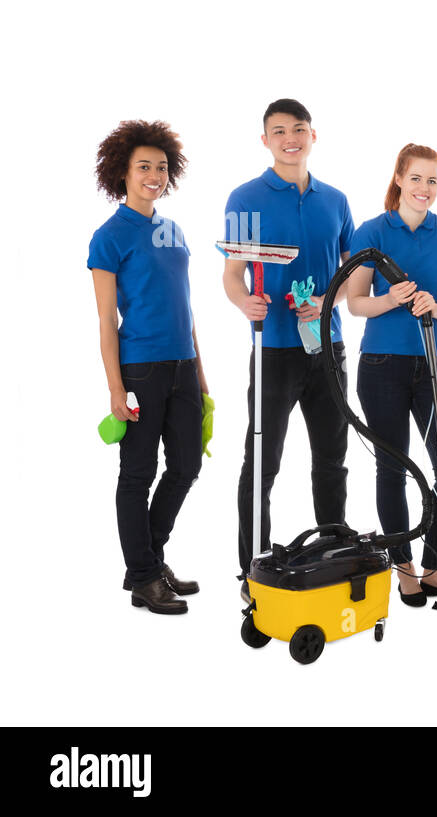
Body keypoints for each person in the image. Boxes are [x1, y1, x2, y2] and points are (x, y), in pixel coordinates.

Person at [222, 99, 354, 602]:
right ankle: (252, 571)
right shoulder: (245, 199)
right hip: (274, 348)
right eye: (279, 131)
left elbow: (351, 271)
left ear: (312, 136)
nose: (289, 138)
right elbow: (233, 276)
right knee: (262, 463)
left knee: (331, 460)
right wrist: (244, 304)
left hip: (328, 348)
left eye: (298, 129)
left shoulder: (336, 200)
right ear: (266, 140)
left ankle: (336, 557)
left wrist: (325, 301)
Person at [349, 143, 437, 606]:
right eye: (418, 178)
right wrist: (391, 299)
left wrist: (434, 305)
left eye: (433, 180)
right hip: (381, 364)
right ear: (400, 178)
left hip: (433, 362)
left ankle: (434, 565)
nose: (425, 189)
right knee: (394, 466)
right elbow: (353, 302)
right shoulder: (372, 232)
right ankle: (402, 567)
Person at [89, 120, 207, 614]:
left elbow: (186, 305)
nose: (154, 175)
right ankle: (144, 574)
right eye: (144, 167)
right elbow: (105, 320)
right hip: (140, 370)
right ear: (123, 172)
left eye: (160, 167)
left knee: (186, 466)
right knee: (137, 475)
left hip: (183, 366)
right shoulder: (109, 236)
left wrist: (201, 375)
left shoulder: (173, 230)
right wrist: (115, 388)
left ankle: (147, 564)